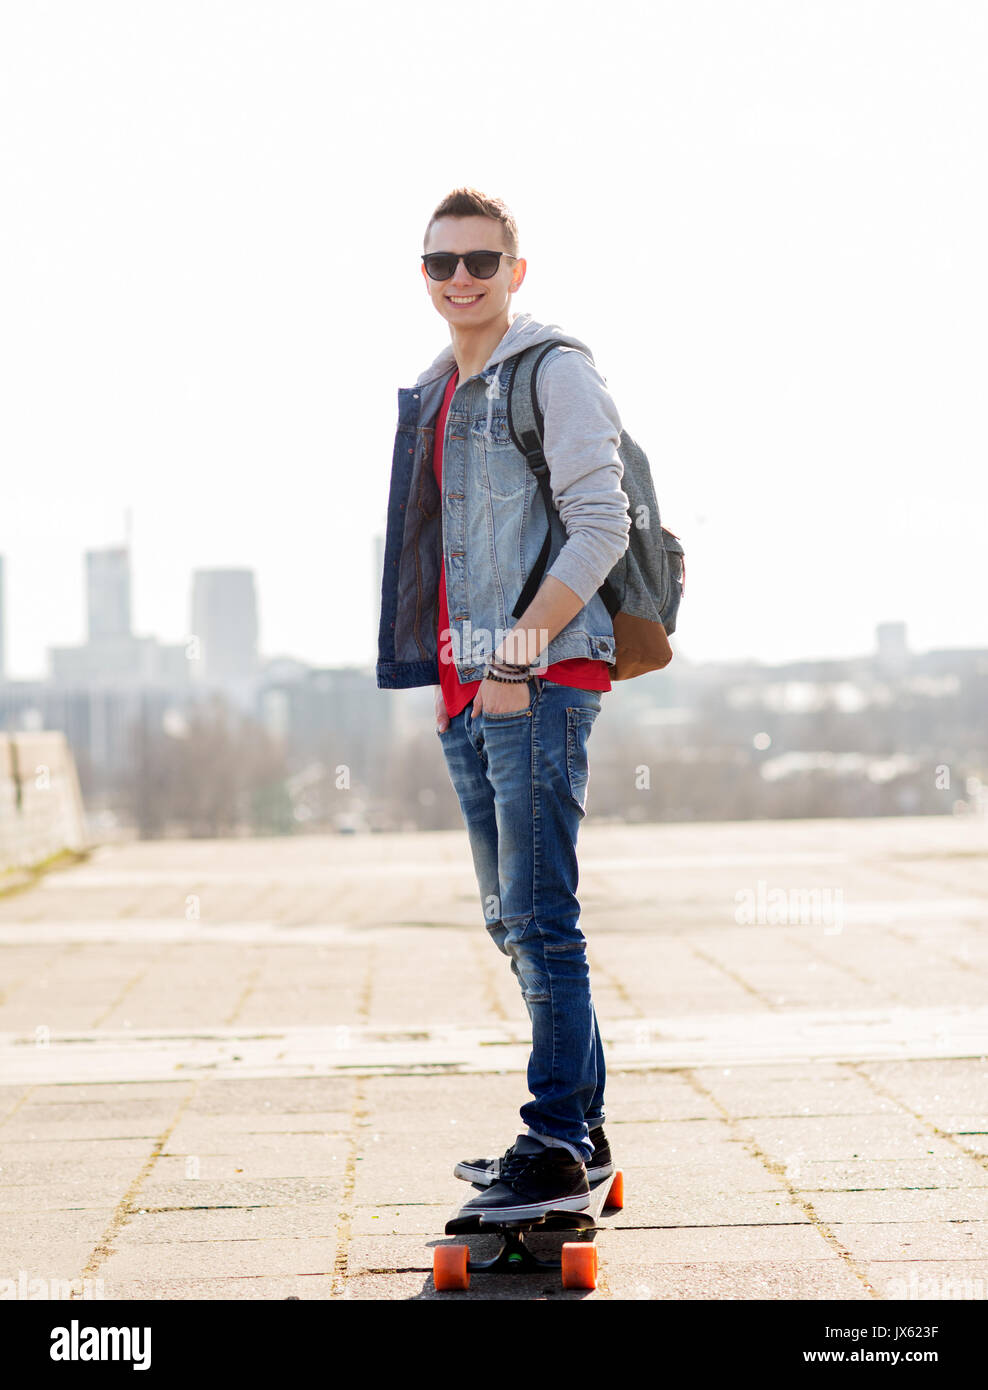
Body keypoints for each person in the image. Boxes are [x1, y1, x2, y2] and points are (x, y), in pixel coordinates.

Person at [377, 187, 630, 1219]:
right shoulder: (436, 390)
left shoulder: (553, 371)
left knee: (542, 917)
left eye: (481, 260)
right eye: (442, 263)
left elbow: (599, 523)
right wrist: (457, 687)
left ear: (515, 271)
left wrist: (517, 658)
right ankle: (586, 1135)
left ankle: (556, 1137)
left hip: (536, 681)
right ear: (423, 275)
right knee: (511, 922)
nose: (462, 278)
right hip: (464, 691)